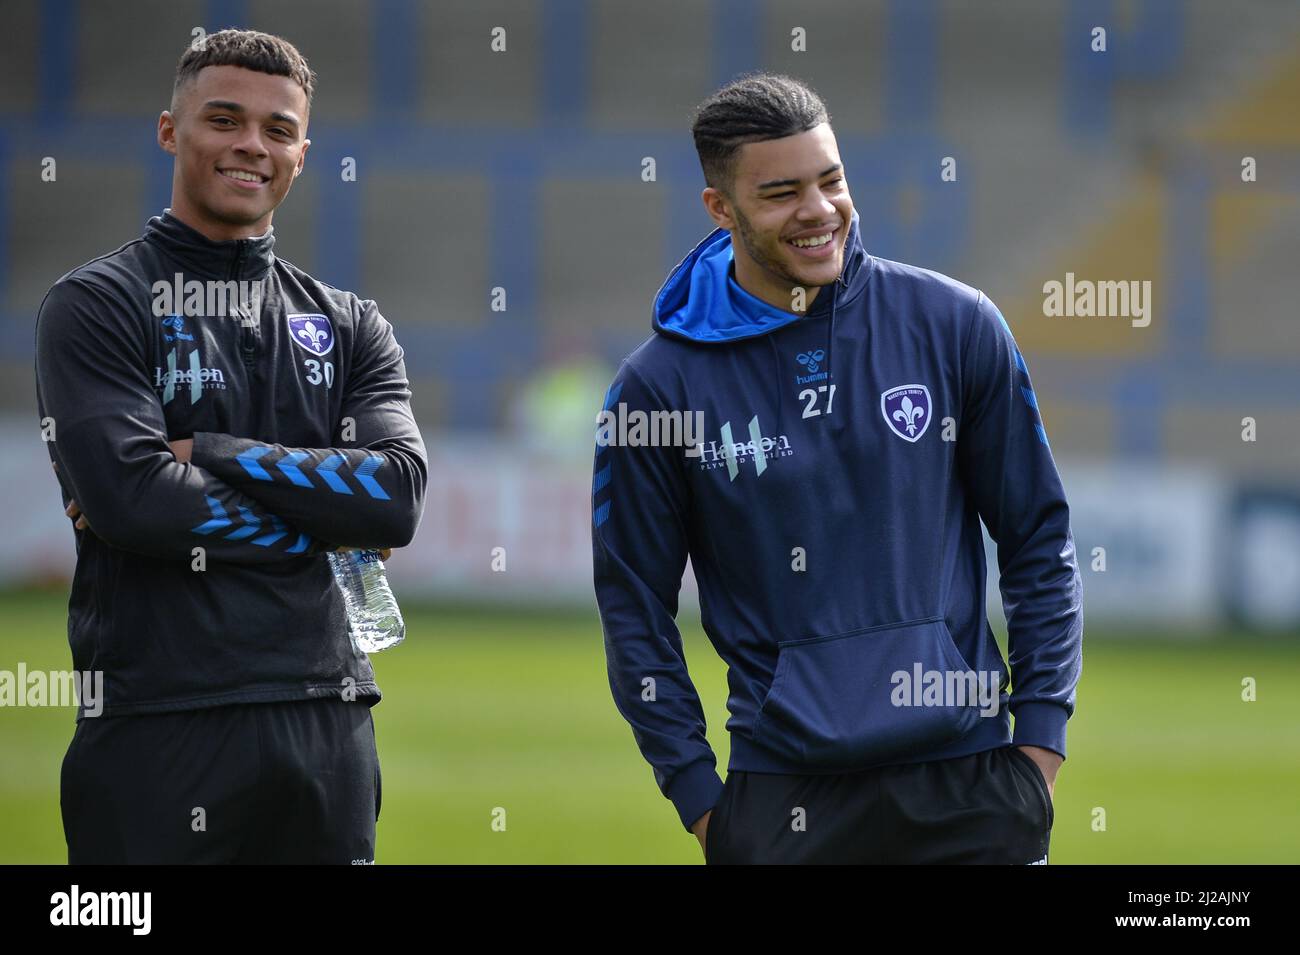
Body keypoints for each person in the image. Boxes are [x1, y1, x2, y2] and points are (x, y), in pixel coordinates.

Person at [591, 73, 1082, 864]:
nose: (819, 210)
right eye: (782, 192)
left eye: (832, 179)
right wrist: (702, 802)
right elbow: (633, 606)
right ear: (722, 209)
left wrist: (1040, 749)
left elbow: (1038, 540)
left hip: (971, 786)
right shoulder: (659, 387)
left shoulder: (955, 326)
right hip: (785, 805)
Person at [34, 29, 428, 863]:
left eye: (279, 130)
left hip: (329, 721)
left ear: (302, 153)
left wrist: (202, 449)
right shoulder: (95, 305)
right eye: (225, 119)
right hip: (157, 725)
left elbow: (394, 499)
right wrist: (324, 521)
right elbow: (135, 504)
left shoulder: (351, 325)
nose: (253, 145)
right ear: (171, 131)